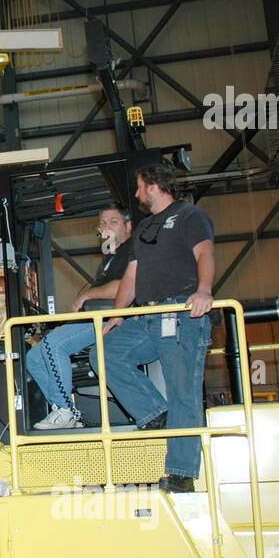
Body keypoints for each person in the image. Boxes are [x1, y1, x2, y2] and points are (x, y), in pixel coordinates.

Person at [92, 162, 216, 493]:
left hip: (180, 313)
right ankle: (155, 414)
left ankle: (180, 473)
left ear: (152, 185)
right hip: (146, 317)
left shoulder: (190, 216)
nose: (135, 193)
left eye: (138, 186)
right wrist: (118, 313)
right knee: (103, 355)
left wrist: (204, 290)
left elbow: (205, 253)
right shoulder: (145, 227)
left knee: (183, 393)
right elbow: (131, 275)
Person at [27, 204, 133, 429]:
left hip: (113, 318)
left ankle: (65, 411)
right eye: (102, 223)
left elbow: (122, 287)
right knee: (34, 357)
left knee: (53, 346)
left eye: (113, 222)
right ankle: (65, 410)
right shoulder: (110, 258)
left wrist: (86, 294)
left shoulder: (130, 251)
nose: (107, 227)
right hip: (94, 317)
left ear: (128, 226)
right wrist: (66, 325)